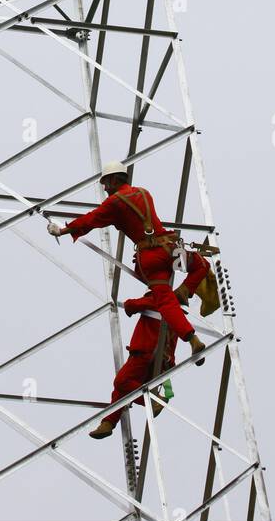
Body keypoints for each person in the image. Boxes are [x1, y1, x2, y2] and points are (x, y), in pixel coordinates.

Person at [47, 160, 208, 435]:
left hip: (150, 258)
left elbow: (92, 219)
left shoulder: (114, 203)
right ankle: (188, 316)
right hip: (169, 247)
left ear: (111, 182)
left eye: (105, 185)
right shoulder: (144, 193)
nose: (105, 190)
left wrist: (62, 230)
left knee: (164, 301)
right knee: (201, 265)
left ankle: (190, 340)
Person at [88, 249, 211, 441]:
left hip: (145, 353)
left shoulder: (158, 300)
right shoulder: (175, 311)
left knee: (121, 382)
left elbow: (132, 305)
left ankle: (153, 402)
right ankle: (109, 423)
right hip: (161, 363)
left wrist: (131, 303)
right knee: (123, 389)